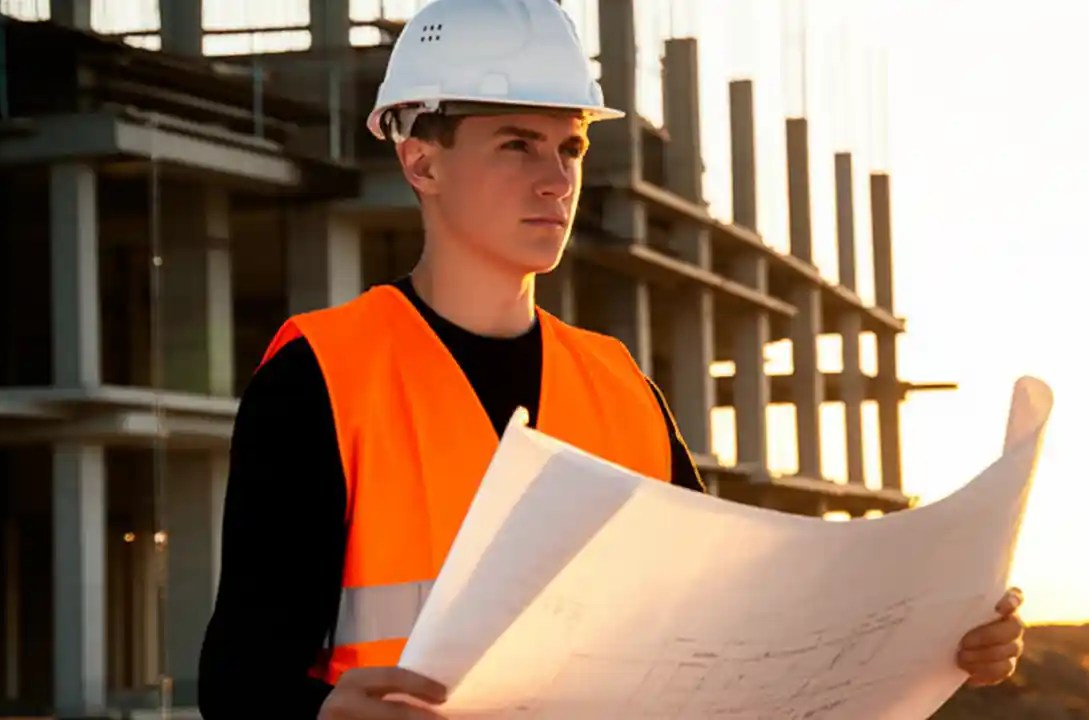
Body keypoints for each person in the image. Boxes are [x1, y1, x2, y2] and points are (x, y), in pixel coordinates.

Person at [196, 1, 1026, 718]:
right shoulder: (322, 378)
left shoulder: (621, 388)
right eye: (518, 144)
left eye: (571, 148)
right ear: (422, 159)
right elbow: (237, 685)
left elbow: (734, 636)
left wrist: (938, 636)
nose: (556, 178)